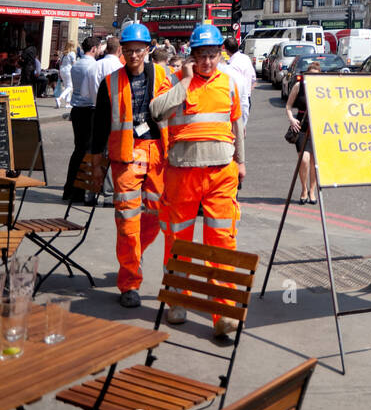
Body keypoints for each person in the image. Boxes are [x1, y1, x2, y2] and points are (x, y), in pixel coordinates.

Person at [149, 22, 245, 337]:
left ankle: (223, 312)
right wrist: (185, 81)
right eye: (201, 55)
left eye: (212, 55)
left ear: (220, 55)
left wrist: (241, 162)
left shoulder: (229, 84)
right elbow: (156, 110)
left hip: (220, 172)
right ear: (192, 56)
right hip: (182, 171)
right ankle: (178, 302)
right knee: (178, 242)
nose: (207, 61)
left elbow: (237, 125)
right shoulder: (175, 81)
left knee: (222, 242)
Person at [89, 23, 171, 307]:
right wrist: (97, 163)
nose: (133, 55)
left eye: (138, 50)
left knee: (155, 215)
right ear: (121, 51)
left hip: (156, 153)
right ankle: (129, 283)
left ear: (147, 50)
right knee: (126, 220)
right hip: (125, 155)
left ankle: (136, 253)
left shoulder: (163, 77)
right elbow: (99, 127)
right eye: (128, 50)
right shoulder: (110, 82)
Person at [62, 37, 101, 201]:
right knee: (87, 150)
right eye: (98, 48)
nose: (100, 51)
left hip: (76, 109)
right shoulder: (93, 65)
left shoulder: (76, 64)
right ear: (93, 49)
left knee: (78, 149)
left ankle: (69, 188)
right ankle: (79, 190)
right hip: (89, 109)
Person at [285, 60, 320, 204]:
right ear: (306, 75)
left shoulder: (322, 89)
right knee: (304, 160)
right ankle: (304, 188)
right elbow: (288, 106)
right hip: (301, 127)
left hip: (317, 128)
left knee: (313, 162)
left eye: (316, 76)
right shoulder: (299, 87)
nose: (312, 78)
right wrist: (292, 119)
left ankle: (312, 191)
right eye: (310, 75)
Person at [222, 35, 256, 129]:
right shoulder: (246, 58)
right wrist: (248, 91)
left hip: (237, 100)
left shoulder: (232, 65)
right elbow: (253, 78)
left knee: (234, 130)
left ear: (226, 50)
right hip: (247, 98)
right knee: (241, 129)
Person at [56, 40, 77, 114]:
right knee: (70, 87)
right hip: (69, 70)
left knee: (67, 86)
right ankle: (59, 98)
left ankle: (68, 103)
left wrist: (59, 72)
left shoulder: (63, 54)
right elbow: (74, 63)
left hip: (62, 70)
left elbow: (60, 63)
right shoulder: (72, 53)